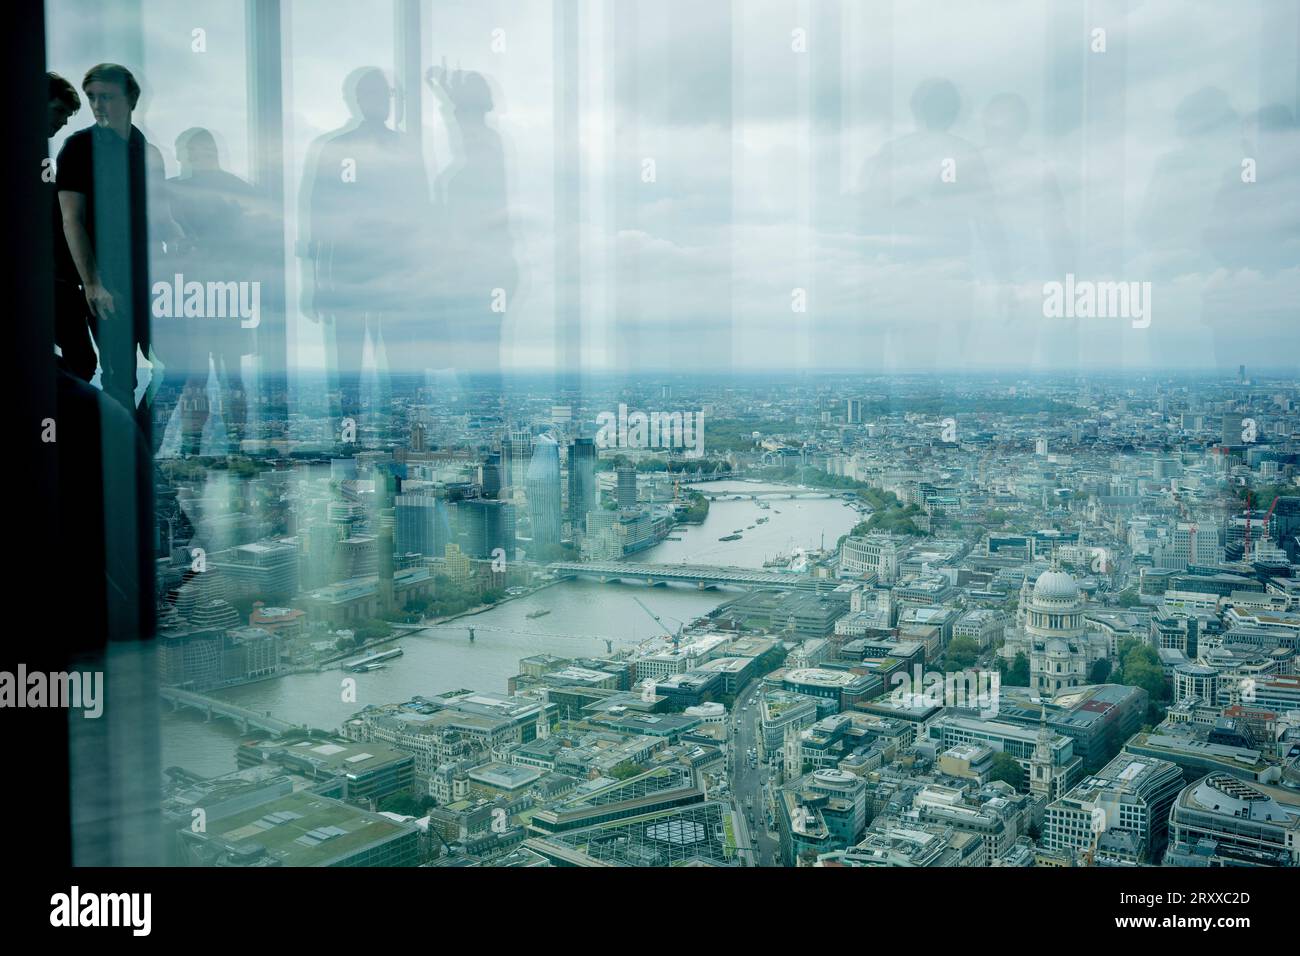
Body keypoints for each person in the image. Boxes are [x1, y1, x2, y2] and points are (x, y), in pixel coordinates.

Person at [56, 63, 172, 419]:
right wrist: (93, 283)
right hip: (107, 282)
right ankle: (124, 460)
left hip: (149, 280)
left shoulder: (147, 151)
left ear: (131, 99)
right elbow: (71, 221)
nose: (97, 105)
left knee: (172, 370)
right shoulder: (77, 147)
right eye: (92, 97)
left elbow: (158, 217)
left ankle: (137, 445)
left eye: (106, 97)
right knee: (119, 378)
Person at [47, 72, 99, 381]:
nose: (65, 121)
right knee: (81, 361)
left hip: (60, 279)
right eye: (59, 111)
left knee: (82, 361)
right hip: (53, 280)